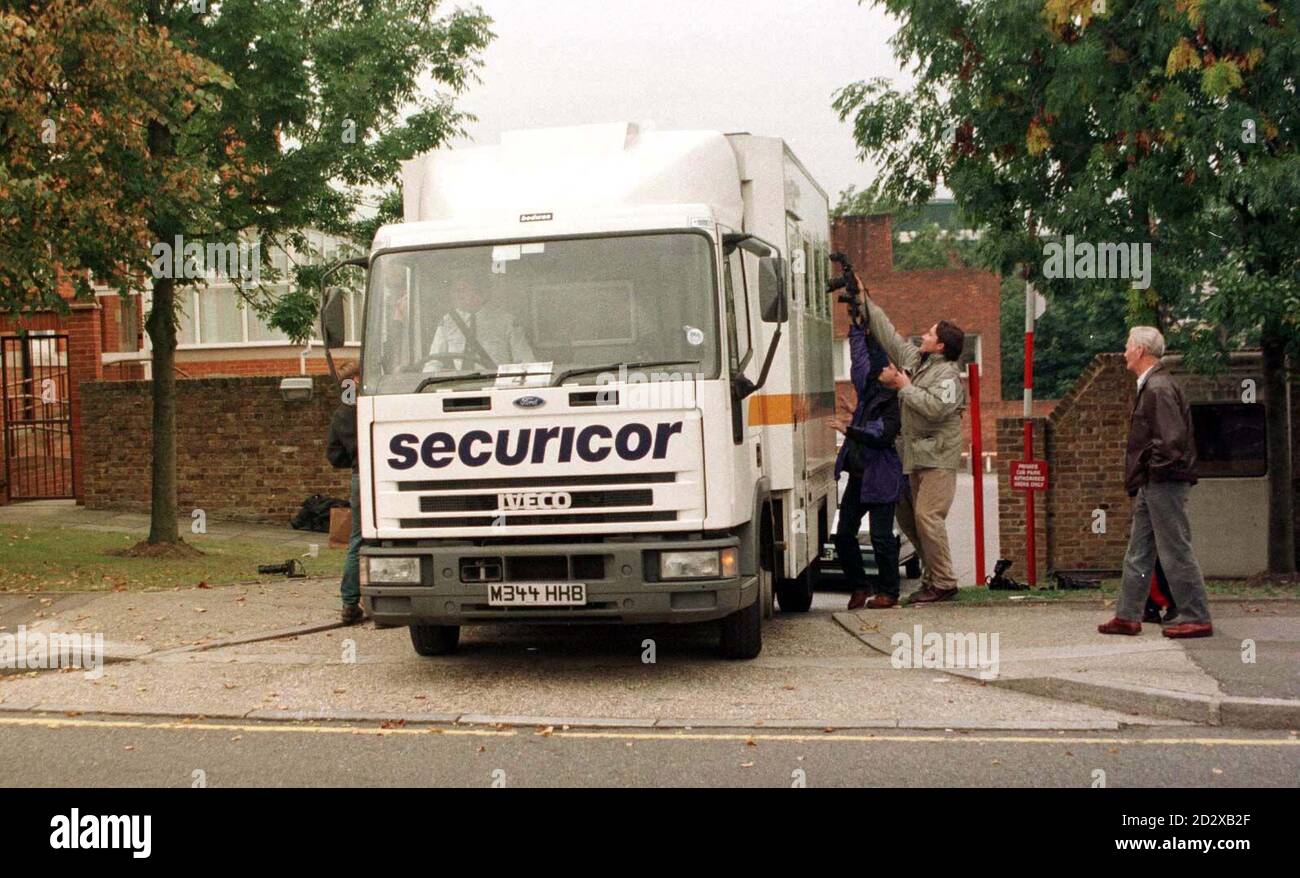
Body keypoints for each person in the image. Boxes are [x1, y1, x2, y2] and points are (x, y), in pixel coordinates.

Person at [1099, 326, 1212, 638]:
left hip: (1163, 480)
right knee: (1139, 550)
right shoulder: (1155, 385)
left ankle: (1196, 616)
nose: (1123, 352)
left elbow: (1170, 441)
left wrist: (1152, 473)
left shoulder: (1157, 388)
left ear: (1139, 351)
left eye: (1127, 347)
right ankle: (1127, 615)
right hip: (1157, 480)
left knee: (1175, 548)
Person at [859, 288, 966, 604]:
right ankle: (933, 578)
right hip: (914, 458)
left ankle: (945, 582)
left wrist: (904, 387)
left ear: (941, 345)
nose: (923, 334)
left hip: (938, 459)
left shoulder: (947, 374)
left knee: (928, 515)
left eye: (930, 333)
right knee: (910, 519)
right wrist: (865, 301)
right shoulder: (919, 362)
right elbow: (890, 337)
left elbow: (936, 409)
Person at [831, 318, 905, 609]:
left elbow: (882, 435)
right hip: (861, 476)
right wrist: (860, 326)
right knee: (843, 534)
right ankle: (861, 586)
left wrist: (849, 428)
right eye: (887, 367)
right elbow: (865, 358)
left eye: (893, 368)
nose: (888, 369)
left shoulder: (895, 401)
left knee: (881, 537)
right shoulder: (871, 391)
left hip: (882, 476)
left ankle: (889, 592)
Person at [327, 361, 364, 625]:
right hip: (384, 471)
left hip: (359, 475)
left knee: (358, 540)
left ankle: (349, 603)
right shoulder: (374, 405)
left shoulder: (341, 414)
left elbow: (334, 455)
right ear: (358, 379)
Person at [428, 278, 535, 368]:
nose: (456, 295)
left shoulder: (507, 322)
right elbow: (433, 362)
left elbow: (525, 361)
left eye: (462, 291)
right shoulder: (447, 322)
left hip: (495, 386)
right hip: (459, 386)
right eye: (454, 291)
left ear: (482, 294)